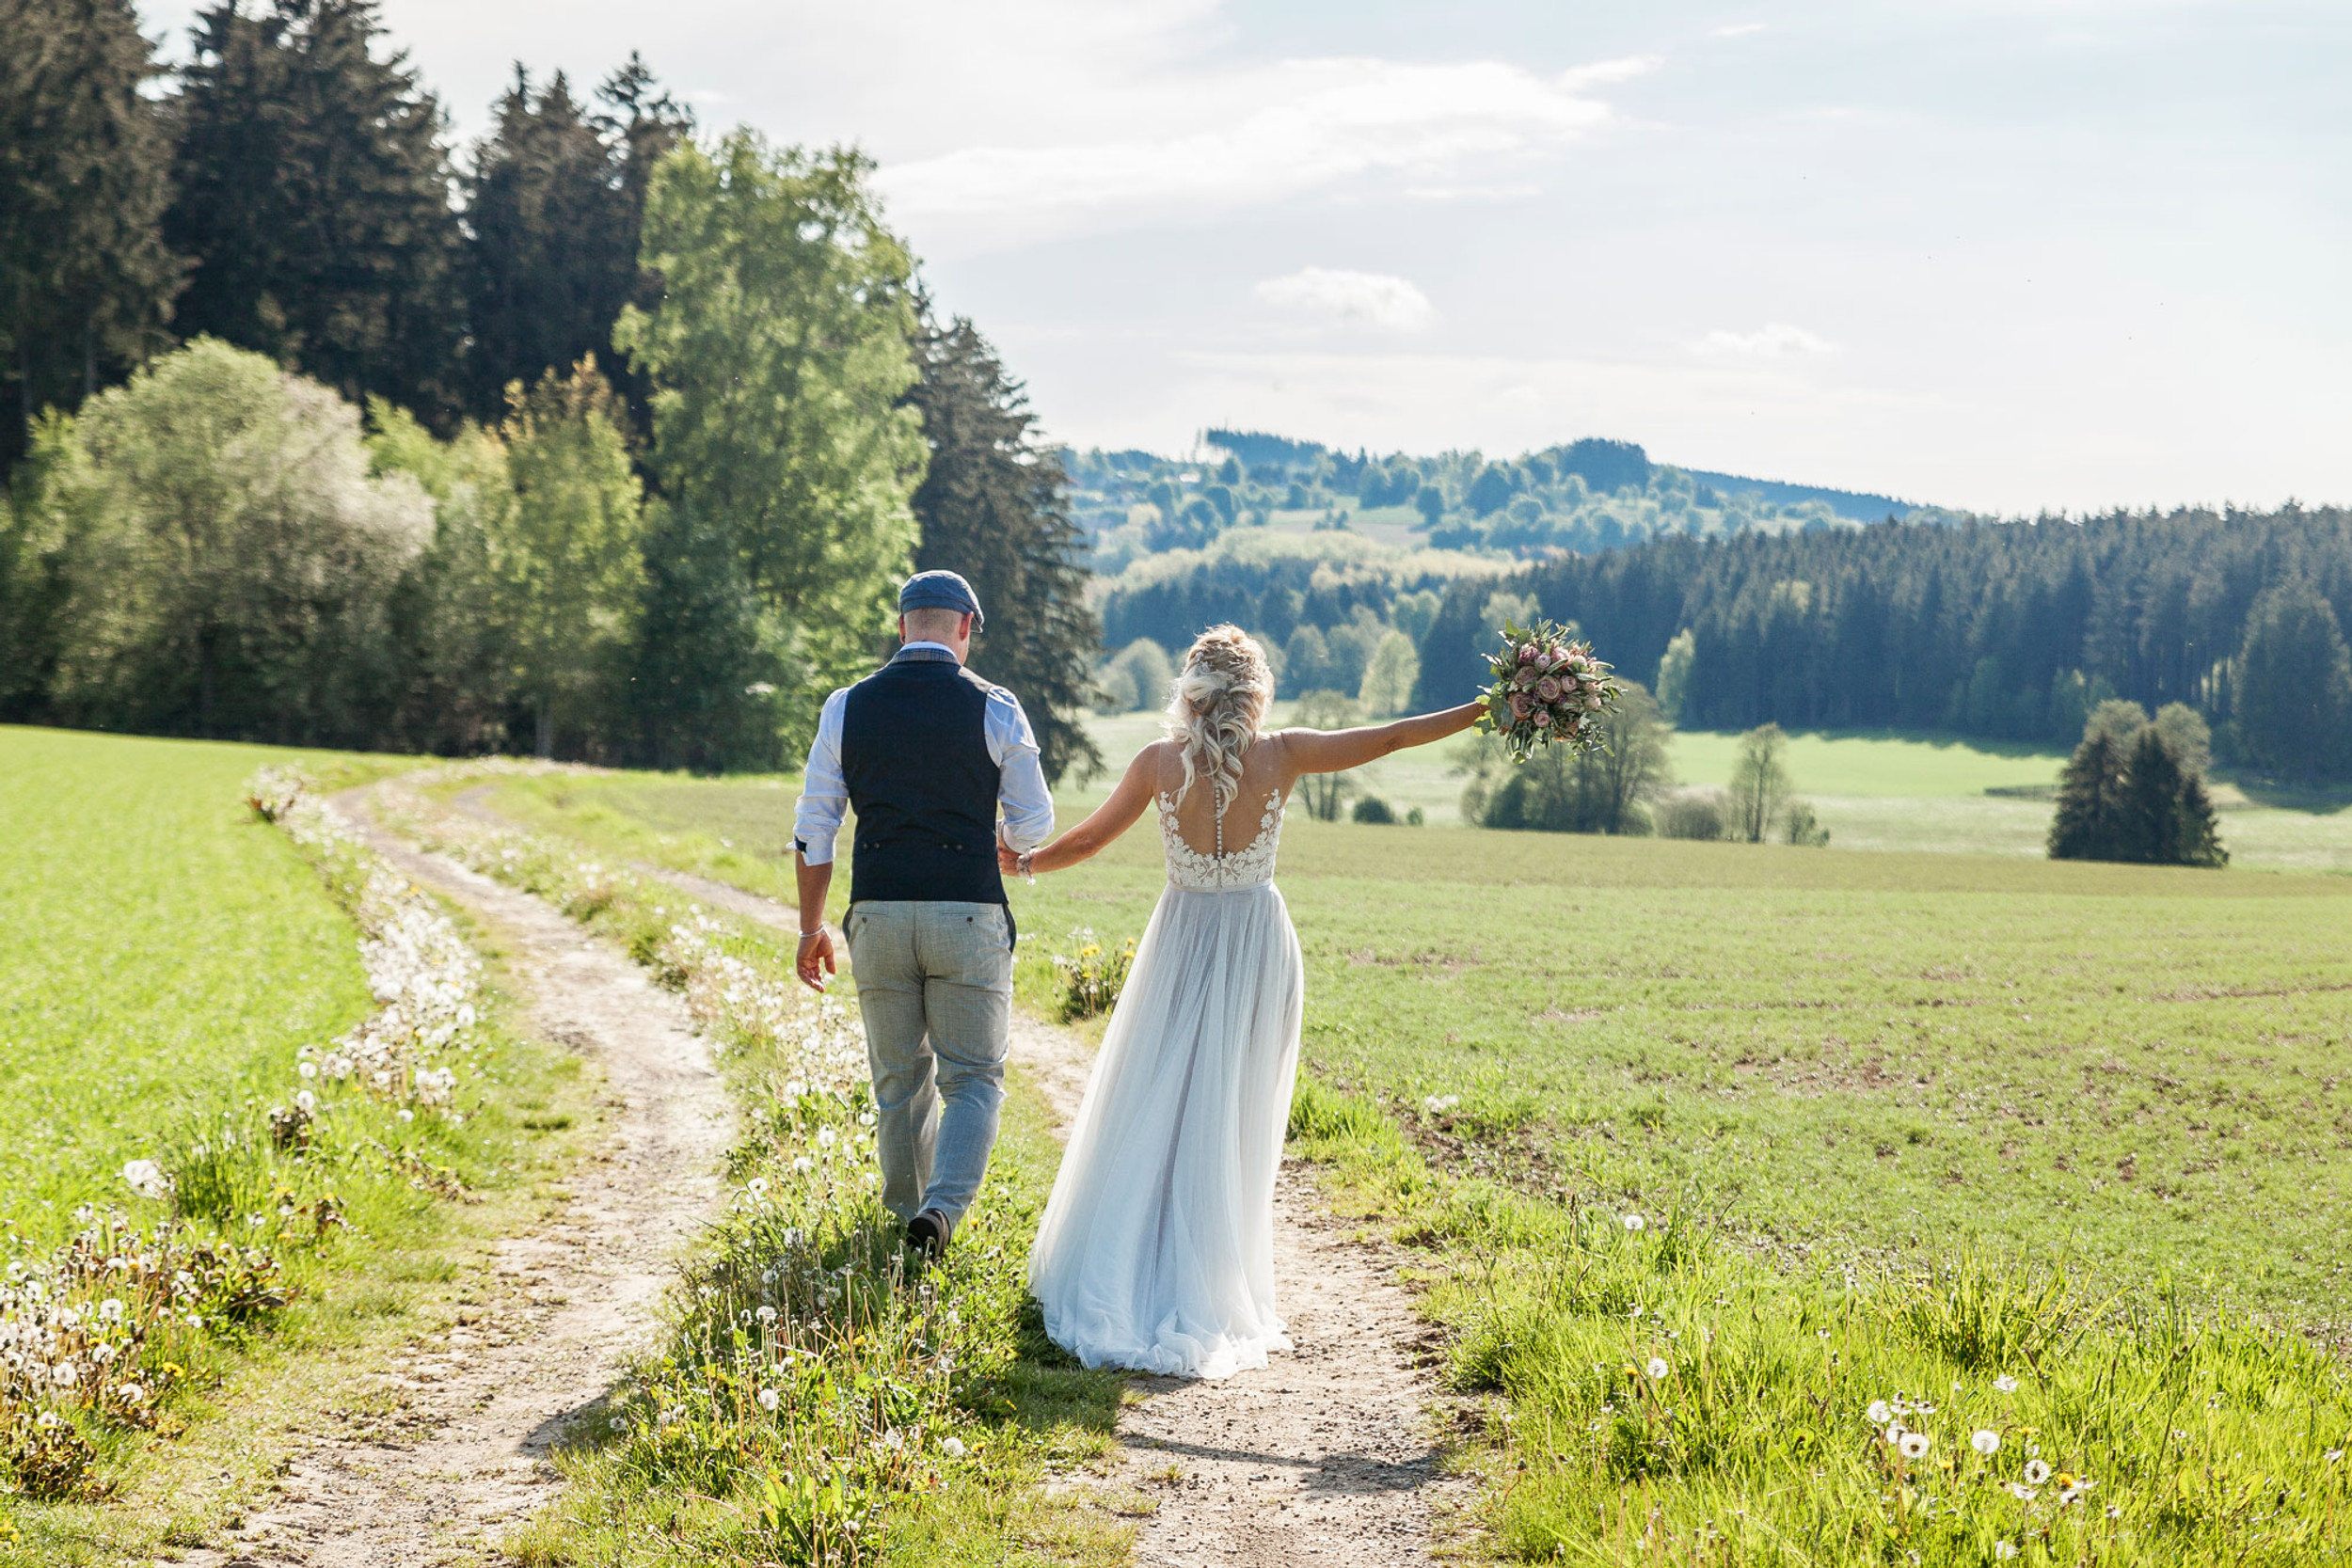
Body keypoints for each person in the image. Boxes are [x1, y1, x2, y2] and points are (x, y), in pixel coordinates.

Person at [1015, 625, 1483, 1377]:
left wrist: (1026, 861)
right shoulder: (1285, 753)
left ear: (1190, 694)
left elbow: (1091, 839)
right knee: (1230, 1113)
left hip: (1183, 936)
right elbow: (1394, 737)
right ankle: (1208, 1277)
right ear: (1254, 693)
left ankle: (1137, 1260)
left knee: (1157, 1096)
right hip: (1259, 942)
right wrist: (1485, 709)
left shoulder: (1157, 763)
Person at [791, 570, 1055, 1259]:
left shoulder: (846, 707)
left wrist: (809, 927)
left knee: (900, 1079)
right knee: (971, 1078)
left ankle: (907, 1218)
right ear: (966, 626)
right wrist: (1003, 841)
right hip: (968, 912)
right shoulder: (996, 708)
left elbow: (814, 829)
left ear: (901, 624)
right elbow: (1035, 821)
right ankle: (939, 1214)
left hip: (875, 912)